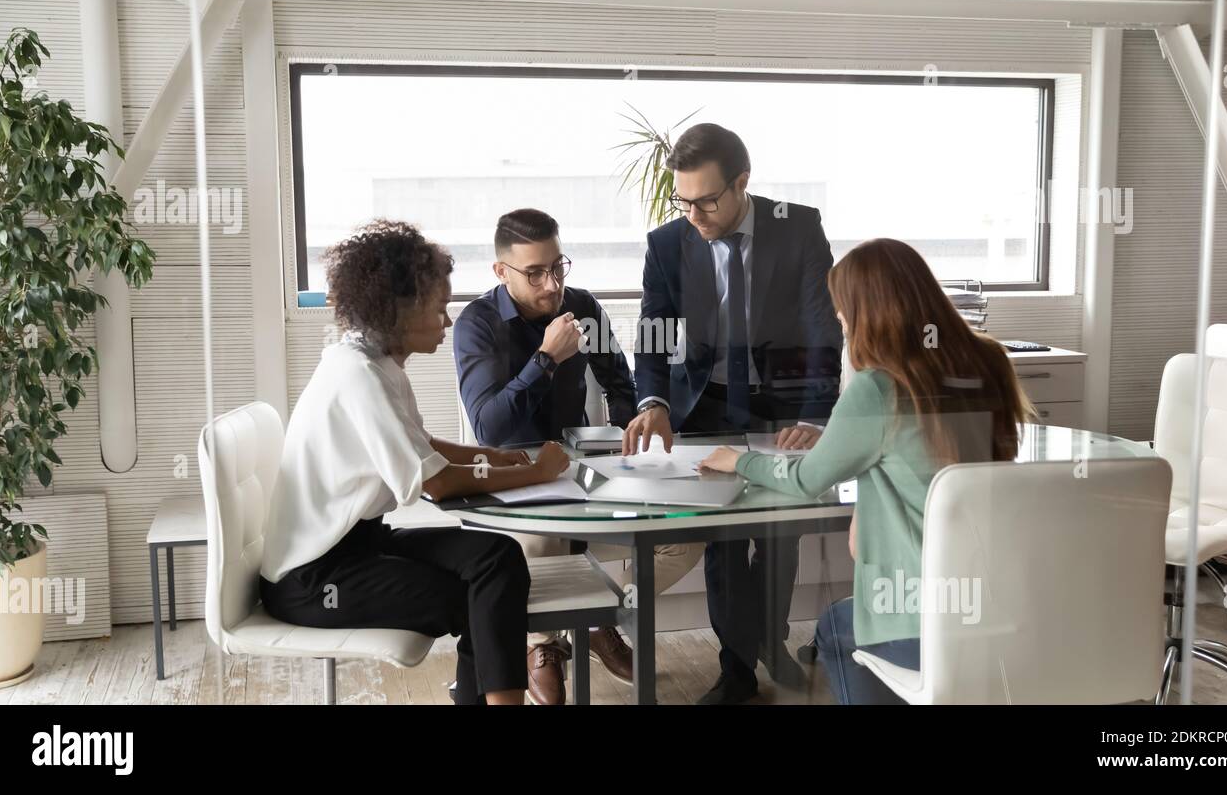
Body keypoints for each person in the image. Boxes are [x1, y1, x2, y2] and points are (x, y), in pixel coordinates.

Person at [700, 238, 1034, 704]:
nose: (839, 321)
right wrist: (844, 441)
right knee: (838, 625)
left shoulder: (878, 388)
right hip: (998, 606)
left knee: (834, 628)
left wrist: (739, 460)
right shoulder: (990, 362)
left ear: (868, 313)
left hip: (918, 612)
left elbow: (804, 481)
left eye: (843, 312)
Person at [260, 219, 571, 706]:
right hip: (313, 578)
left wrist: (494, 456)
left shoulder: (375, 363)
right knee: (480, 600)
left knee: (497, 557)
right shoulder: (357, 375)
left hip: (358, 546)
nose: (448, 321)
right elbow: (440, 484)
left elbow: (422, 443)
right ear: (399, 310)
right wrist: (535, 471)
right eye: (439, 307)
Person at [621, 122, 843, 705]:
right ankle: (737, 669)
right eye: (683, 200)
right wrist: (654, 401)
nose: (693, 213)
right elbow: (651, 336)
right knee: (722, 536)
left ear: (742, 182)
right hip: (708, 401)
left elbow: (822, 322)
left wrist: (818, 414)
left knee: (780, 535)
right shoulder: (667, 244)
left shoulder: (795, 226)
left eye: (707, 200)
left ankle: (770, 639)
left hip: (780, 404)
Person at [454, 208, 703, 704]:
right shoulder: (476, 324)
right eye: (535, 273)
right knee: (544, 539)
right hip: (516, 487)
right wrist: (544, 360)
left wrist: (631, 437)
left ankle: (594, 619)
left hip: (582, 474)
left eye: (558, 267)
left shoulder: (583, 306)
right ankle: (542, 645)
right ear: (501, 273)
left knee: (683, 539)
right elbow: (490, 426)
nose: (552, 284)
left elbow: (620, 381)